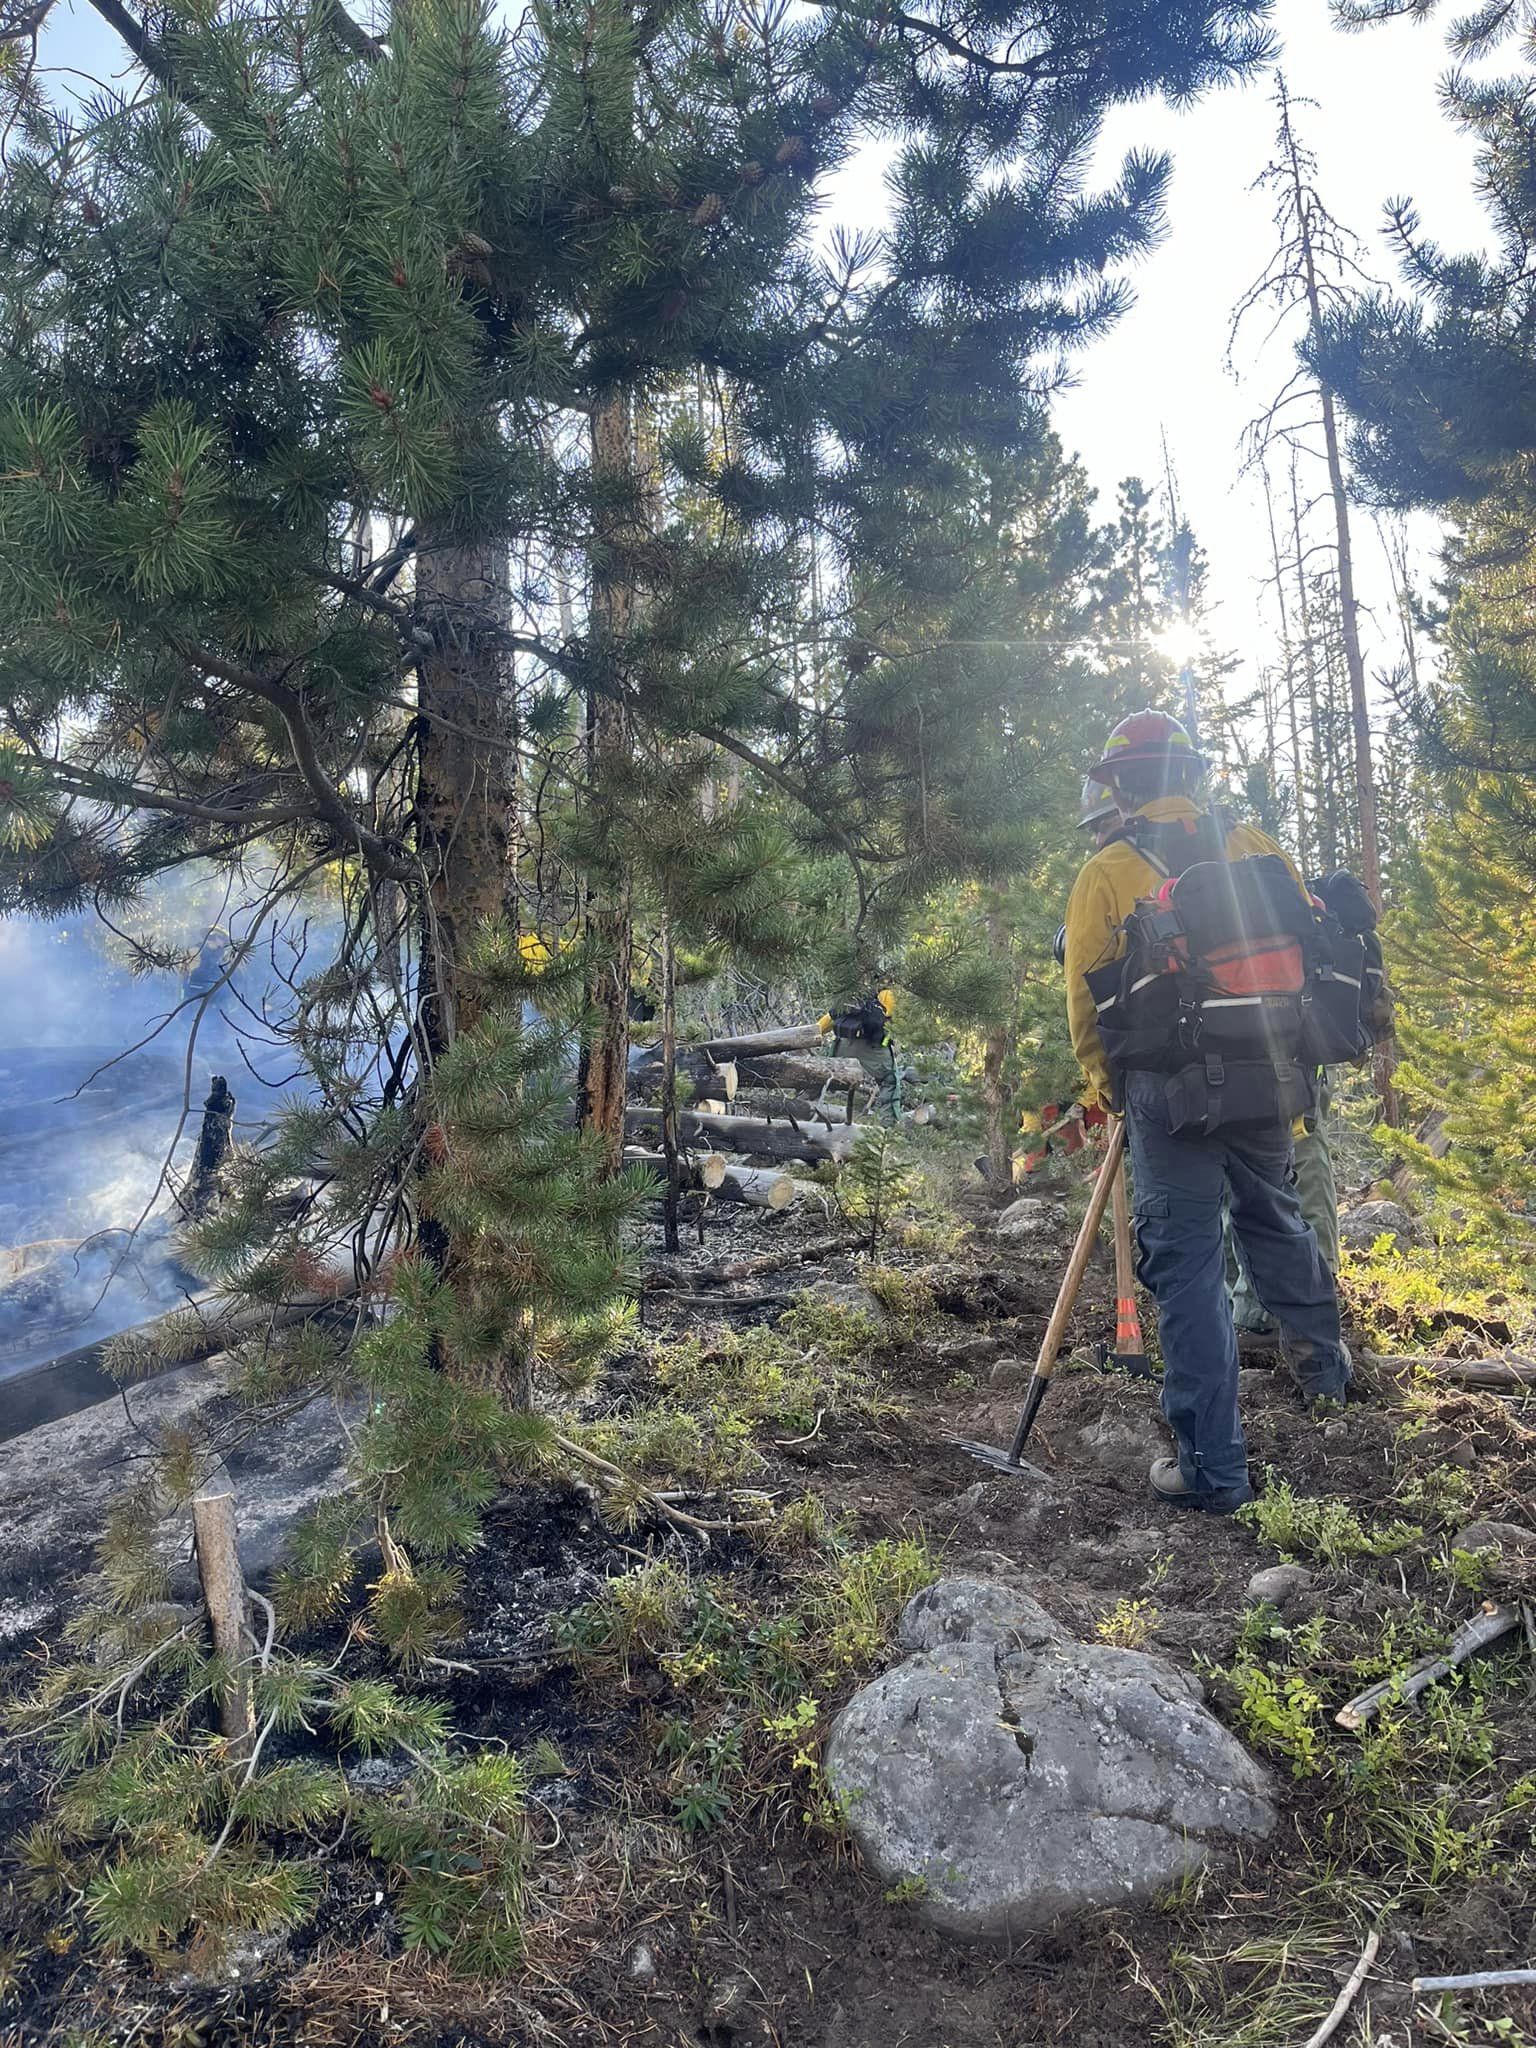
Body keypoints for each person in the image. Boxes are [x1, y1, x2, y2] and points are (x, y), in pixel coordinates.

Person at [1061, 709, 1352, 1515]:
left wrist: (1106, 1088)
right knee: (1276, 1220)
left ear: (1120, 785)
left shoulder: (1107, 871)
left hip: (1170, 1096)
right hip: (1266, 1074)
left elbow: (1087, 1003)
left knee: (1186, 1270)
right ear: (1192, 775)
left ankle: (1213, 1469)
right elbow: (1311, 944)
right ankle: (1327, 1376)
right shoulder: (1257, 846)